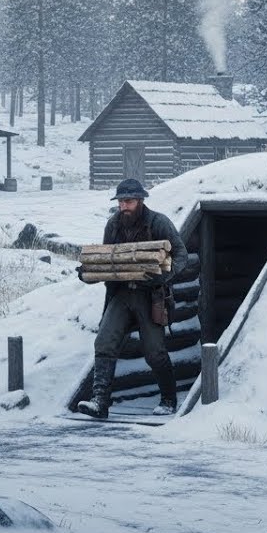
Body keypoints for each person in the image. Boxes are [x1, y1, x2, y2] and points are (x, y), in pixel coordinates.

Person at [75, 178, 186, 419]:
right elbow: (107, 261)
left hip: (151, 295)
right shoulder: (113, 225)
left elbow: (181, 255)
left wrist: (162, 277)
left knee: (154, 351)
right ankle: (100, 401)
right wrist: (88, 273)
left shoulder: (159, 222)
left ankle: (168, 398)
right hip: (121, 293)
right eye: (121, 201)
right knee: (104, 342)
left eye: (129, 201)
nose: (124, 206)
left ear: (140, 200)